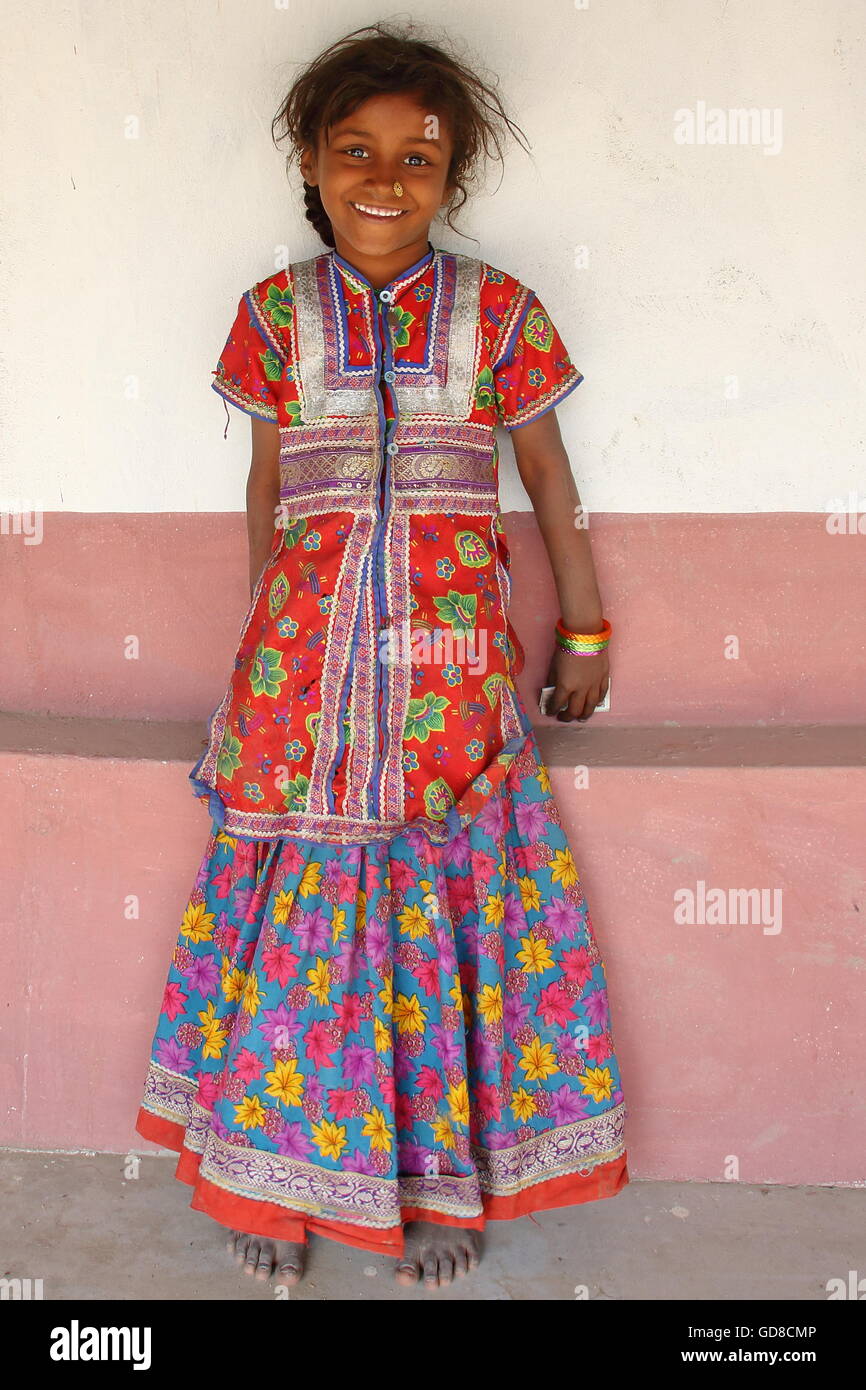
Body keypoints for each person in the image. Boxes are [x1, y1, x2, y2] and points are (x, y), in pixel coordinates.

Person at [135, 19, 629, 1292]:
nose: (384, 178)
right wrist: (266, 651)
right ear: (311, 160)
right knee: (297, 926)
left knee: (447, 918)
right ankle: (274, 1181)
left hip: (450, 681)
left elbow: (546, 477)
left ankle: (446, 1188)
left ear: (452, 177)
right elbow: (268, 497)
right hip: (300, 687)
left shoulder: (499, 311)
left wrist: (582, 628)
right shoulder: (273, 316)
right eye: (355, 150)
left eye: (419, 156)